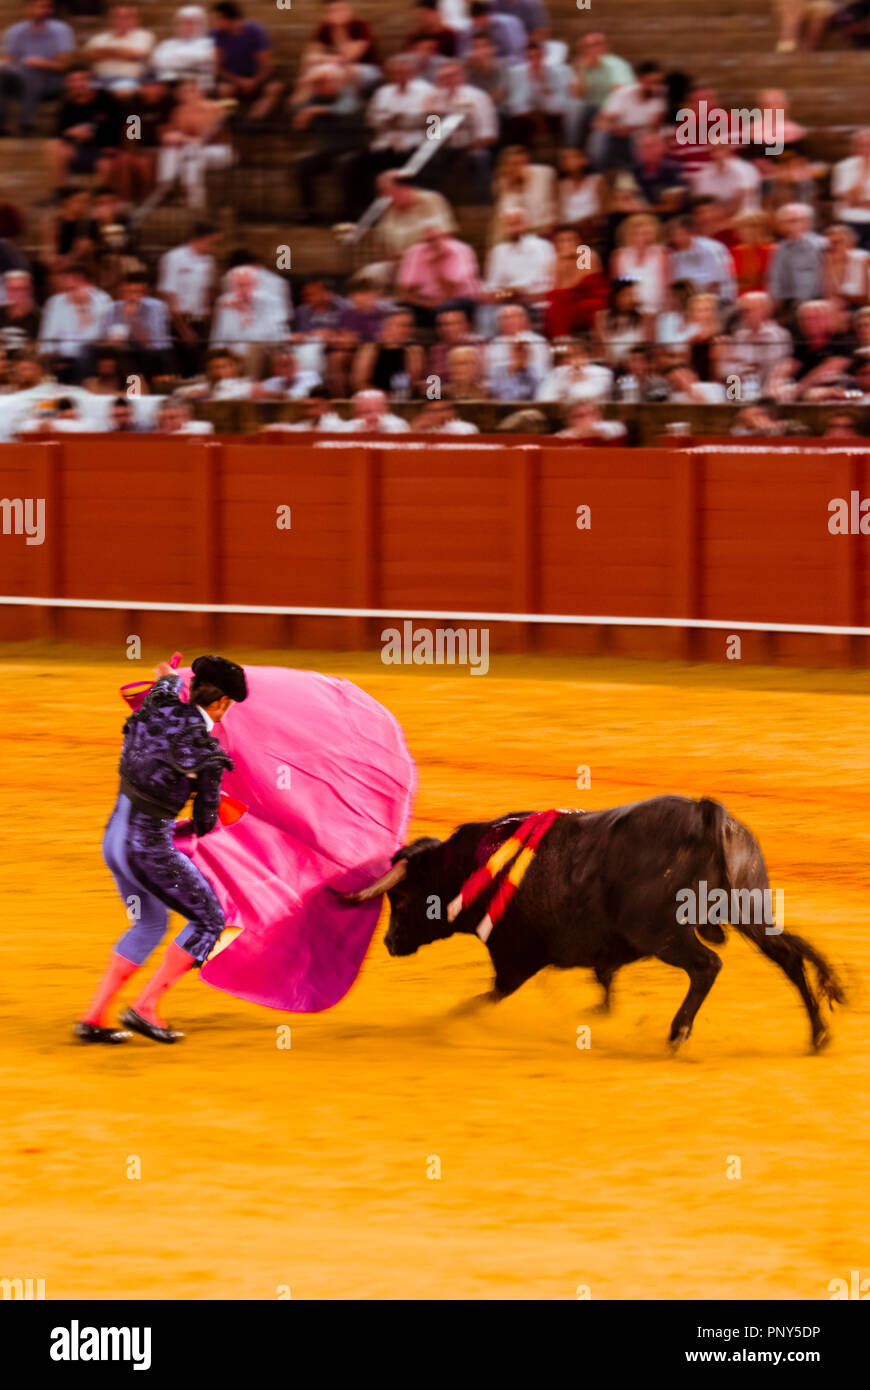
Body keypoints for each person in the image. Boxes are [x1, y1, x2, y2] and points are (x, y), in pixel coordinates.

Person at [76, 655, 248, 1044]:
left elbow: (164, 684)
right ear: (220, 703)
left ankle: (93, 1017)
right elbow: (205, 823)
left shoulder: (160, 705)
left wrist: (169, 677)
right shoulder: (207, 752)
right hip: (147, 849)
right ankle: (144, 1007)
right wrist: (217, 805)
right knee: (208, 920)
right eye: (228, 705)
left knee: (149, 923)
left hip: (114, 841)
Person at [0, 0, 73, 136]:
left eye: (46, 7)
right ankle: (2, 125)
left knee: (32, 71)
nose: (42, 11)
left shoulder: (61, 30)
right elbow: (10, 61)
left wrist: (41, 63)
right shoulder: (15, 31)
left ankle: (26, 124)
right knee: (4, 74)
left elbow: (64, 65)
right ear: (27, 9)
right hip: (20, 77)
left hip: (51, 79)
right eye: (38, 7)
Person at [210, 0, 281, 120]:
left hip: (258, 76)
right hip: (233, 78)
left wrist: (255, 80)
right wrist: (239, 81)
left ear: (229, 18)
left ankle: (255, 121)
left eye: (217, 19)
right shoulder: (217, 35)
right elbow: (218, 67)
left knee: (274, 89)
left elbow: (266, 64)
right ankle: (230, 121)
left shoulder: (255, 31)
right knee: (224, 89)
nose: (214, 22)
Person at [84, 4, 155, 94]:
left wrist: (103, 53)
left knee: (122, 92)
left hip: (128, 80)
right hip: (97, 78)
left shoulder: (144, 36)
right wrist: (123, 53)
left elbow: (136, 54)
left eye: (126, 17)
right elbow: (90, 54)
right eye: (116, 17)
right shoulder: (99, 37)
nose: (121, 21)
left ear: (136, 20)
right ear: (110, 19)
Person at [151, 5, 216, 89]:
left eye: (193, 22)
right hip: (167, 86)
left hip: (198, 86)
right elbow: (157, 61)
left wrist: (173, 58)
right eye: (184, 22)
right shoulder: (166, 44)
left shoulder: (209, 43)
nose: (188, 26)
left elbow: (203, 57)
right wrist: (187, 59)